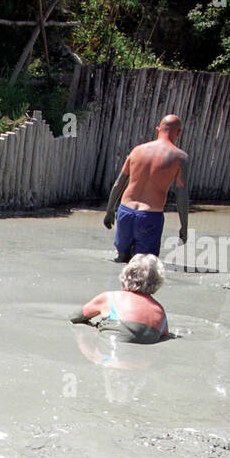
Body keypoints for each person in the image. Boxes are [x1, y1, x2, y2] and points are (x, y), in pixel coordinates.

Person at [103, 114, 189, 261]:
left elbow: (119, 182)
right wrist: (184, 226)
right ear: (178, 132)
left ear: (157, 130)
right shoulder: (179, 158)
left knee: (121, 258)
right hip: (150, 216)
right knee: (144, 264)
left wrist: (110, 210)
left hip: (125, 211)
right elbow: (182, 195)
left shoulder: (137, 150)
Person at [70, 253, 169, 344]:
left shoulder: (109, 298)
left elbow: (75, 317)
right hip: (145, 361)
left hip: (109, 358)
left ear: (126, 274)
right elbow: (165, 334)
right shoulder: (160, 311)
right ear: (158, 282)